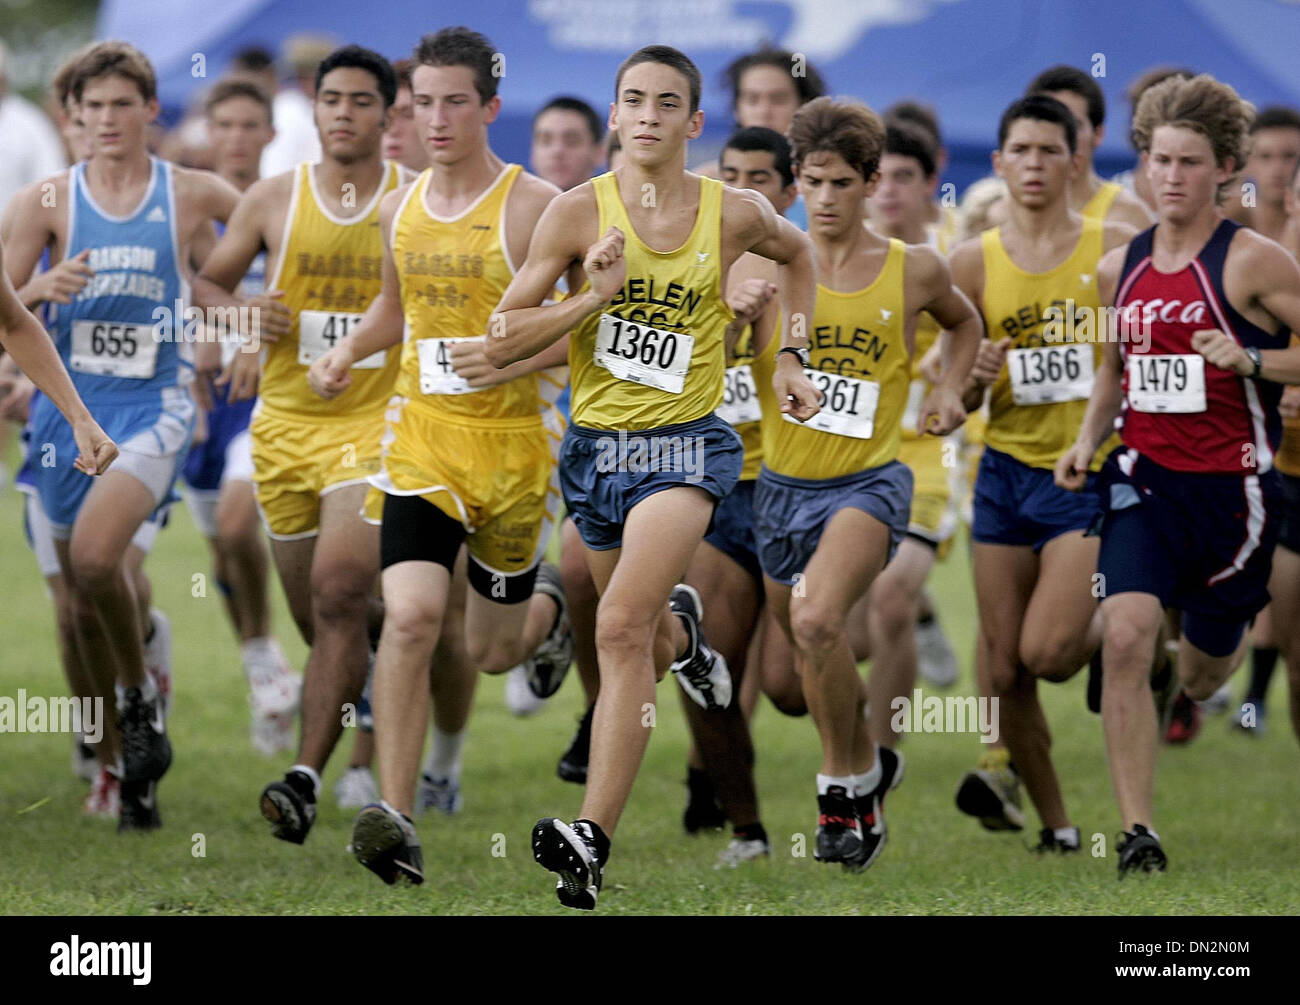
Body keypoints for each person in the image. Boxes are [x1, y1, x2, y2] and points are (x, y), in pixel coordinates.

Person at [484, 44, 821, 909]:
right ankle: (696, 646)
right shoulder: (573, 213)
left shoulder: (734, 213)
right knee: (646, 634)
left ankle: (589, 837)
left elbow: (801, 257)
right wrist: (592, 298)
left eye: (666, 103)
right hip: (595, 452)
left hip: (686, 446)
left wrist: (788, 355)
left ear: (693, 122)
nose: (646, 116)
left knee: (620, 629)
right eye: (632, 100)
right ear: (615, 113)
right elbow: (505, 333)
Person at [307, 27, 573, 885]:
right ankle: (395, 817)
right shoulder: (399, 205)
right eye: (422, 102)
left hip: (515, 450)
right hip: (420, 440)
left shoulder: (537, 207)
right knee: (413, 617)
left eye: (456, 100)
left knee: (491, 650)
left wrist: (509, 357)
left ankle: (551, 616)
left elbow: (586, 336)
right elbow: (398, 309)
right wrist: (349, 351)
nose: (438, 118)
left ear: (491, 106)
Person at [1055, 73, 1300, 874]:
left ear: (1226, 168)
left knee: (1201, 676)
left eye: (1189, 162)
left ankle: (1181, 665)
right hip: (1142, 480)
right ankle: (1137, 833)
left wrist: (1255, 358)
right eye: (1159, 159)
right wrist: (1086, 440)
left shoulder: (1254, 263)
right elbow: (1111, 373)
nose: (1170, 177)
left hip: (1235, 498)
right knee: (1122, 636)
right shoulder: (1114, 268)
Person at [1, 40, 239, 830]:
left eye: (119, 104)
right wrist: (46, 284)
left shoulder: (196, 193)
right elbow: (11, 309)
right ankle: (113, 763)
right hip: (61, 412)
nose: (105, 119)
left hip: (154, 408)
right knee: (73, 608)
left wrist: (237, 334)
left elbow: (263, 257)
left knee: (101, 559)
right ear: (70, 118)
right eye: (89, 107)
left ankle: (136, 701)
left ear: (150, 110)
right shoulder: (43, 201)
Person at [751, 96, 978, 872]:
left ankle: (839, 787)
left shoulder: (914, 267)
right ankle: (863, 766)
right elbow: (707, 348)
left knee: (817, 620)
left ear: (872, 182)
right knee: (799, 664)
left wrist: (949, 391)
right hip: (779, 486)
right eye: (811, 180)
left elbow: (966, 322)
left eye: (841, 182)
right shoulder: (763, 264)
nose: (823, 197)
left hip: (871, 482)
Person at [192, 44, 405, 845]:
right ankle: (383, 668)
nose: (343, 113)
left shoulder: (411, 202)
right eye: (331, 100)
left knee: (342, 588)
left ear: (390, 115)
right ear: (311, 111)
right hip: (282, 430)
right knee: (321, 621)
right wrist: (245, 313)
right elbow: (206, 286)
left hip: (376, 425)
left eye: (360, 100)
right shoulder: (273, 201)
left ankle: (312, 773)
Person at [949, 95, 1135, 849]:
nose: (1032, 165)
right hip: (1002, 476)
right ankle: (1058, 826)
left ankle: (1127, 627)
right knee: (1003, 664)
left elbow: (1145, 358)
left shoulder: (1116, 249)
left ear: (1074, 160)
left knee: (1049, 652)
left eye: (1047, 151)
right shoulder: (971, 262)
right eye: (1018, 151)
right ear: (997, 163)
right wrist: (976, 374)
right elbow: (951, 401)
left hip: (1083, 474)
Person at [180, 76, 301, 755]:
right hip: (204, 393)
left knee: (236, 522)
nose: (234, 137)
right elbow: (194, 297)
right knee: (221, 549)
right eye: (222, 125)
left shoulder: (288, 205)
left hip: (272, 389)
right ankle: (264, 666)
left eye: (247, 125)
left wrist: (254, 330)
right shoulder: (192, 210)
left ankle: (270, 659)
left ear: (270, 132)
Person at [693, 44, 826, 230]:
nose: (764, 111)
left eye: (778, 99)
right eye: (752, 100)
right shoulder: (705, 182)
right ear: (737, 108)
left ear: (804, 105)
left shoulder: (831, 182)